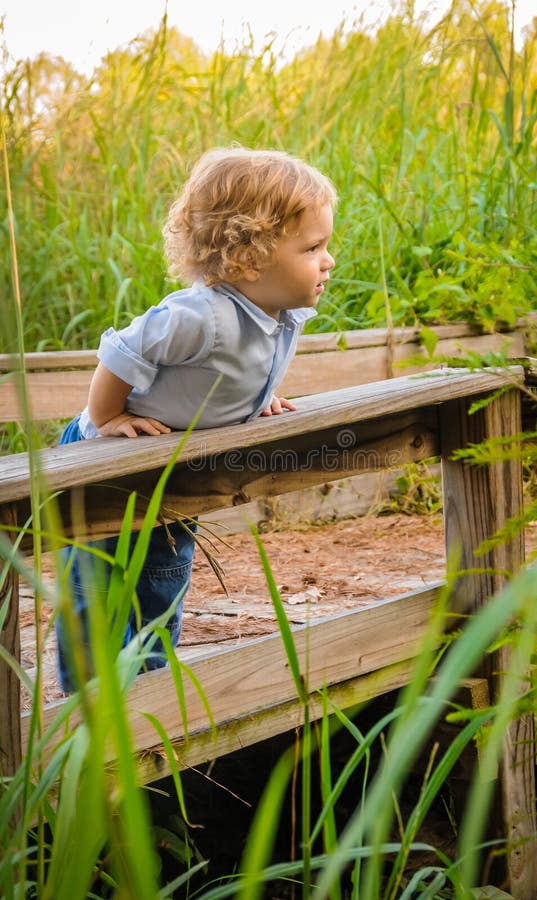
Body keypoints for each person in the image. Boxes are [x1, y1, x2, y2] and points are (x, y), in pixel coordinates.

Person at [56, 146, 336, 692]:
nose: (328, 261)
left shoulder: (285, 315)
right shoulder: (200, 315)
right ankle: (87, 701)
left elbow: (252, 367)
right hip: (106, 463)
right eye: (313, 248)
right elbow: (120, 354)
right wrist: (108, 416)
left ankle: (148, 691)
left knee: (163, 576)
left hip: (172, 471)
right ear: (249, 260)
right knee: (100, 584)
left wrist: (263, 399)